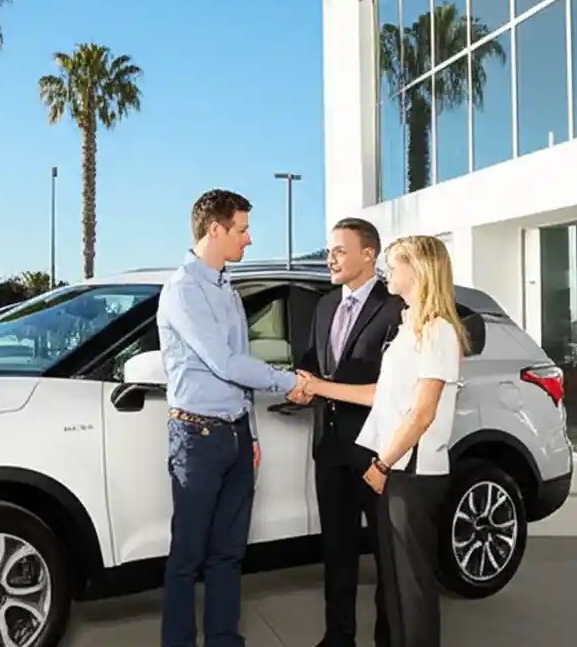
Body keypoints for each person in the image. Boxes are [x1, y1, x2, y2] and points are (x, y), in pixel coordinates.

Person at [296, 234, 468, 647]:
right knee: (397, 582)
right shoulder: (411, 329)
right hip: (396, 469)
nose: (388, 271)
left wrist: (381, 463)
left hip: (411, 472)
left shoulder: (439, 331)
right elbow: (380, 394)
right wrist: (318, 386)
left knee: (412, 589)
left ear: (419, 269)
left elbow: (422, 413)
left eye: (395, 264)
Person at [156, 188, 300, 647]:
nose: (249, 238)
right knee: (187, 556)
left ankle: (223, 640)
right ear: (215, 230)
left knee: (229, 554)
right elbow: (224, 362)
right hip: (197, 438)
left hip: (235, 435)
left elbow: (240, 366)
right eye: (242, 229)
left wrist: (250, 435)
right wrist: (289, 381)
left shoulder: (226, 288)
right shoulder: (184, 290)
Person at [289, 218, 403, 647]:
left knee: (388, 556)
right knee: (337, 552)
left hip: (377, 452)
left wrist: (319, 386)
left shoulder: (395, 307)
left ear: (368, 254)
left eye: (340, 250)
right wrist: (299, 385)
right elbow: (312, 363)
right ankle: (338, 637)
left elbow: (393, 389)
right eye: (330, 250)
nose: (331, 259)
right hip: (330, 449)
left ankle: (388, 638)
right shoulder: (324, 307)